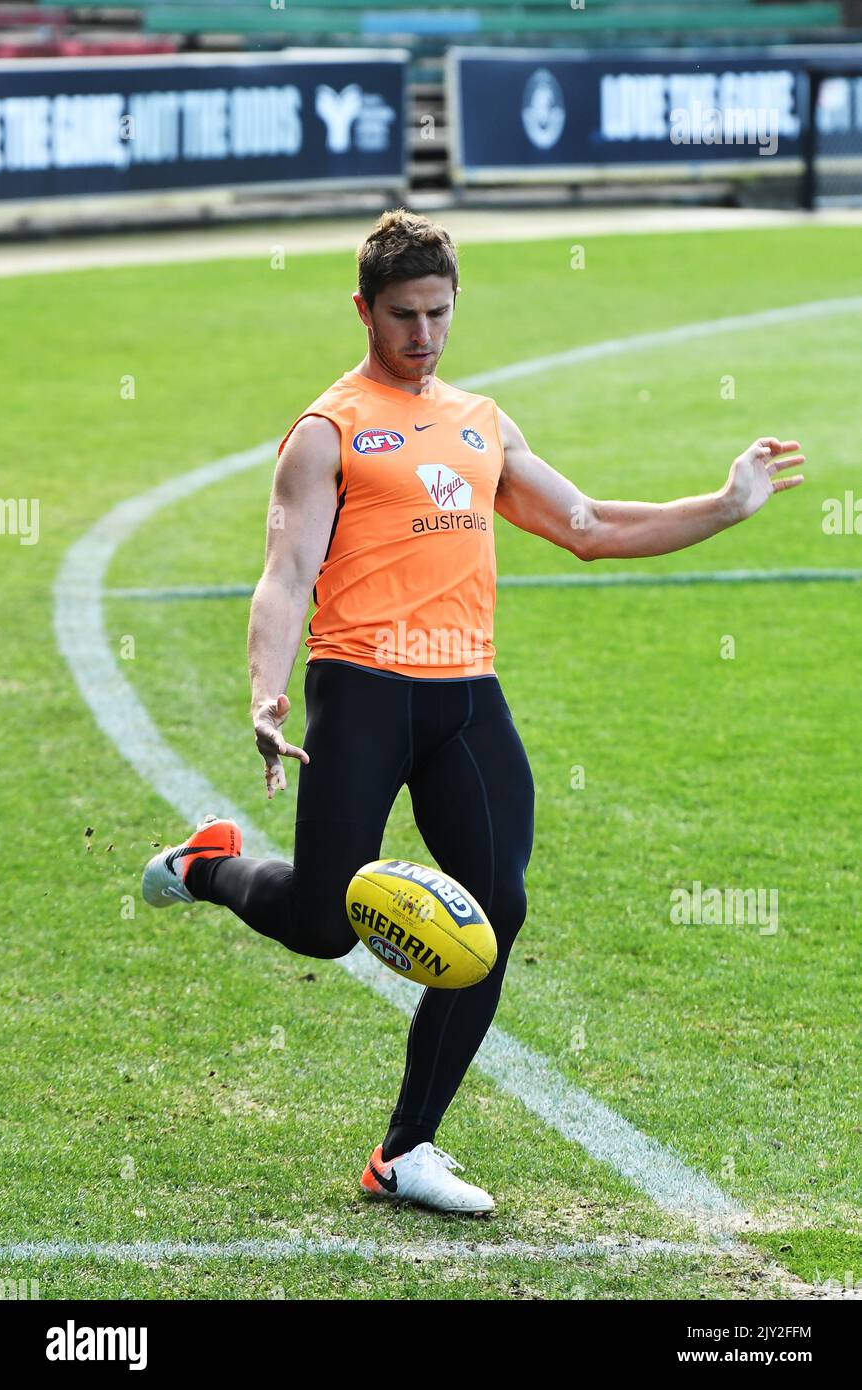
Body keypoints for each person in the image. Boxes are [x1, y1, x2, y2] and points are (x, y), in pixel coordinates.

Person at [142, 208, 805, 1213]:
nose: (423, 335)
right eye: (403, 315)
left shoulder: (480, 422)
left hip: (464, 698)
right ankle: (209, 865)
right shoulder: (326, 431)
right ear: (362, 310)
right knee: (324, 927)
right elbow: (285, 571)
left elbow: (585, 525)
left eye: (439, 313)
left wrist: (721, 505)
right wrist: (264, 689)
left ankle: (404, 1150)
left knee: (496, 908)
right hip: (360, 688)